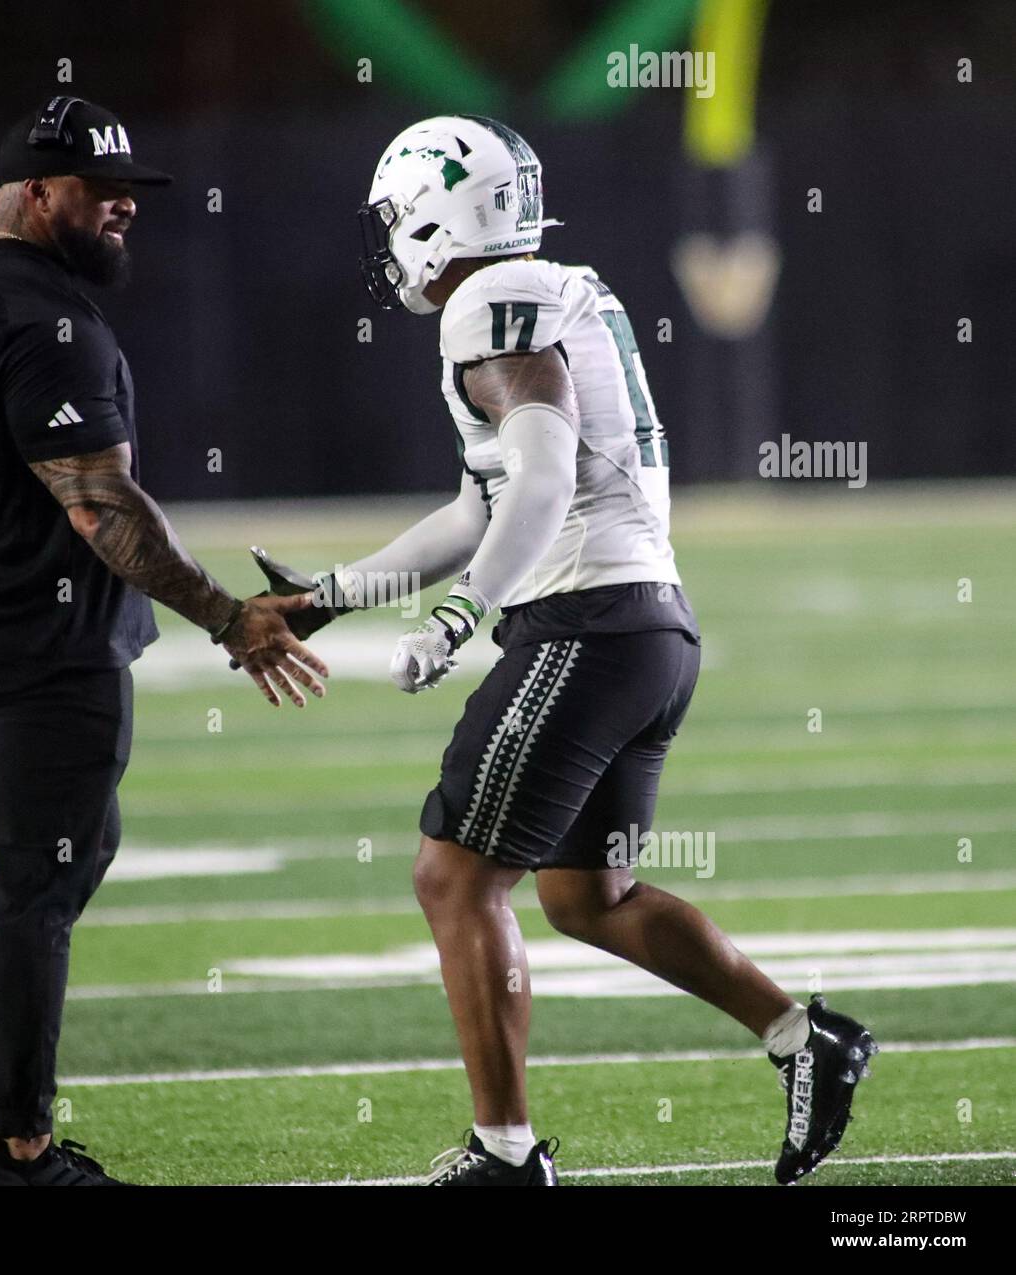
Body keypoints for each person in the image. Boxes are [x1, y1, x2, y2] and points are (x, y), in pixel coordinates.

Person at [249, 114, 875, 1187]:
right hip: (648, 628)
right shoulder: (552, 289)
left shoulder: (490, 303)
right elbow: (478, 507)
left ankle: (504, 1153)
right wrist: (332, 597)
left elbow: (539, 481)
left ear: (436, 220)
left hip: (585, 624)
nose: (389, 241)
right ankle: (800, 1036)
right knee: (587, 896)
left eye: (397, 219)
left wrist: (461, 617)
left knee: (454, 877)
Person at [0, 96, 327, 1186]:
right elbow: (99, 505)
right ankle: (21, 1151)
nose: (126, 206)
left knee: (75, 848)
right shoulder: (50, 324)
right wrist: (231, 618)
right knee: (38, 885)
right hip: (39, 634)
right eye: (101, 188)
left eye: (131, 189)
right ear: (38, 191)